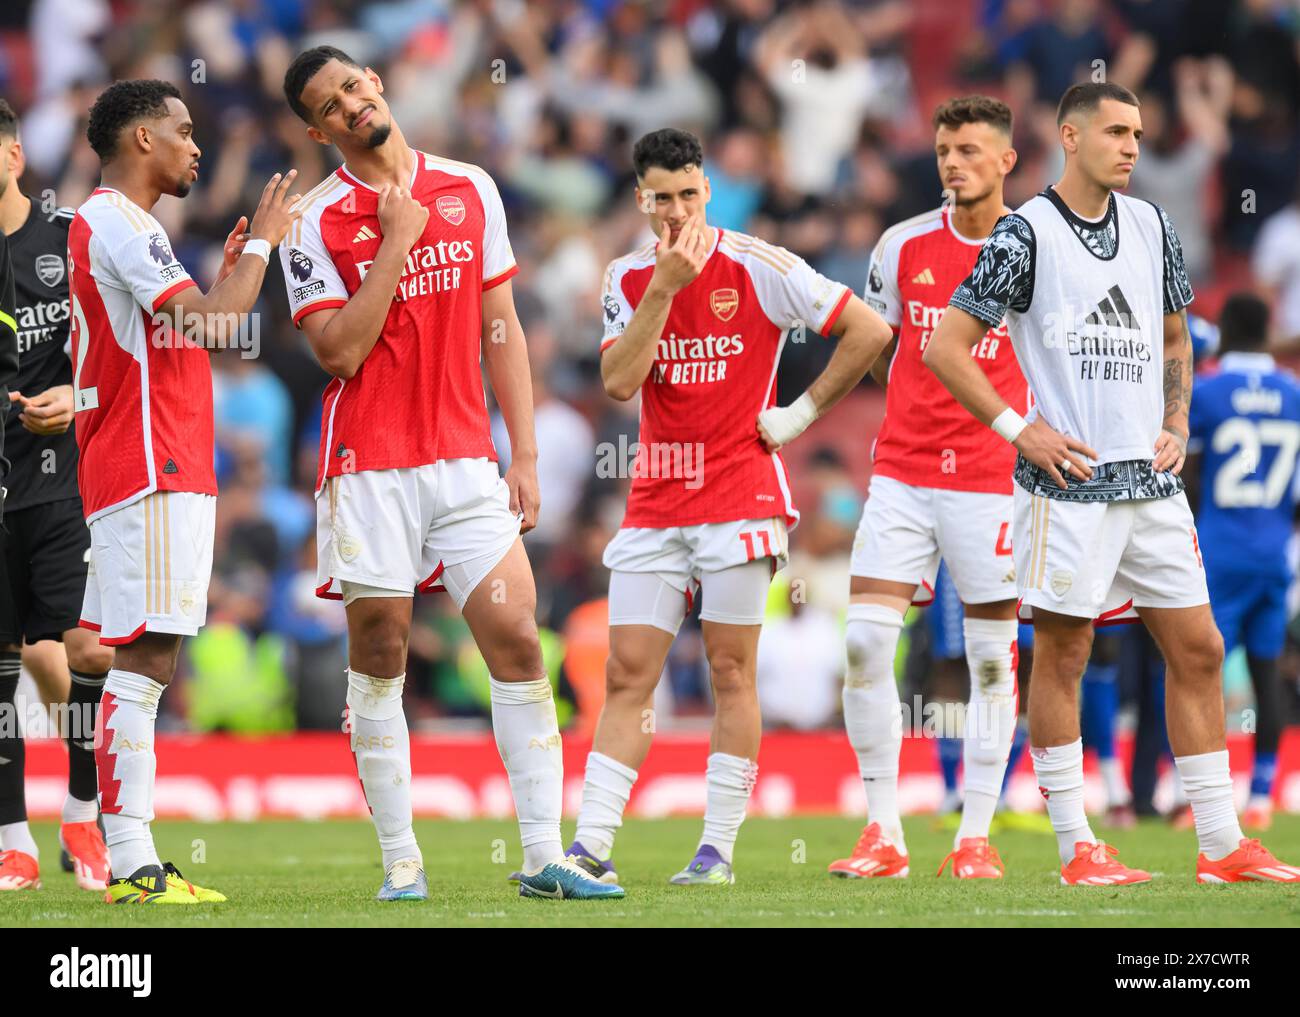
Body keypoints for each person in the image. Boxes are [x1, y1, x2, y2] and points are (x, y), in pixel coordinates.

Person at [924, 80, 1299, 885]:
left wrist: (1179, 421)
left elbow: (1172, 332)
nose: (1133, 145)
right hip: (1068, 486)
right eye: (1118, 132)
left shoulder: (1154, 224)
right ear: (1070, 135)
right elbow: (947, 347)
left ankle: (1223, 842)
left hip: (1153, 485)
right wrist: (1018, 428)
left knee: (1198, 649)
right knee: (1063, 652)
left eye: (1138, 132)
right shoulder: (1025, 235)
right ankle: (1075, 846)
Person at [280, 46, 620, 902]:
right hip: (368, 467)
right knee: (383, 653)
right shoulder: (316, 222)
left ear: (379, 84)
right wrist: (398, 240)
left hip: (467, 459)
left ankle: (545, 853)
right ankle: (401, 859)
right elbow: (340, 349)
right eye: (333, 102)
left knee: (515, 637)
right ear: (320, 130)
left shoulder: (470, 186)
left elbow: (499, 322)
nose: (354, 104)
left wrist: (526, 452)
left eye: (357, 84)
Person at [572, 127, 890, 886]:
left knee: (730, 670)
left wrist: (799, 416)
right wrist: (662, 288)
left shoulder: (759, 265)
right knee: (627, 673)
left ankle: (715, 851)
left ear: (707, 189)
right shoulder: (625, 277)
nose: (677, 210)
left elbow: (870, 329)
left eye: (689, 194)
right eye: (662, 198)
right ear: (643, 200)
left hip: (740, 494)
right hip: (654, 501)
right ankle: (587, 849)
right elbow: (619, 382)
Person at [71, 79, 298, 904]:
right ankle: (130, 859)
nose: (196, 146)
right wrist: (266, 248)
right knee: (147, 655)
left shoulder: (127, 227)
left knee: (139, 653)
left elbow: (195, 322)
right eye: (184, 129)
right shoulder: (121, 224)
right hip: (147, 460)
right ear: (141, 140)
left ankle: (126, 849)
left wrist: (233, 270)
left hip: (156, 460)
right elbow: (211, 324)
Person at [827, 96, 1026, 882]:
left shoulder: (1034, 247)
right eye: (945, 149)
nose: (953, 163)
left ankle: (975, 834)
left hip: (992, 478)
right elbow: (882, 344)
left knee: (990, 661)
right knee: (865, 641)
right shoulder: (901, 243)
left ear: (1007, 160)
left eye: (971, 150)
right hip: (904, 473)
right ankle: (884, 831)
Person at [0, 97, 115, 893]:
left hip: (62, 482)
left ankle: (82, 812)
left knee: (88, 648)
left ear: (12, 158)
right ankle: (13, 840)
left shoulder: (67, 238)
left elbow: (121, 351)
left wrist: (76, 398)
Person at [1187, 292, 1300, 832]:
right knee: (1266, 672)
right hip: (1275, 553)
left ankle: (1203, 798)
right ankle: (1260, 794)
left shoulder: (1207, 391)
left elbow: (1183, 466)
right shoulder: (1293, 392)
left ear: (1227, 330)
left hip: (1220, 552)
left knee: (1197, 673)